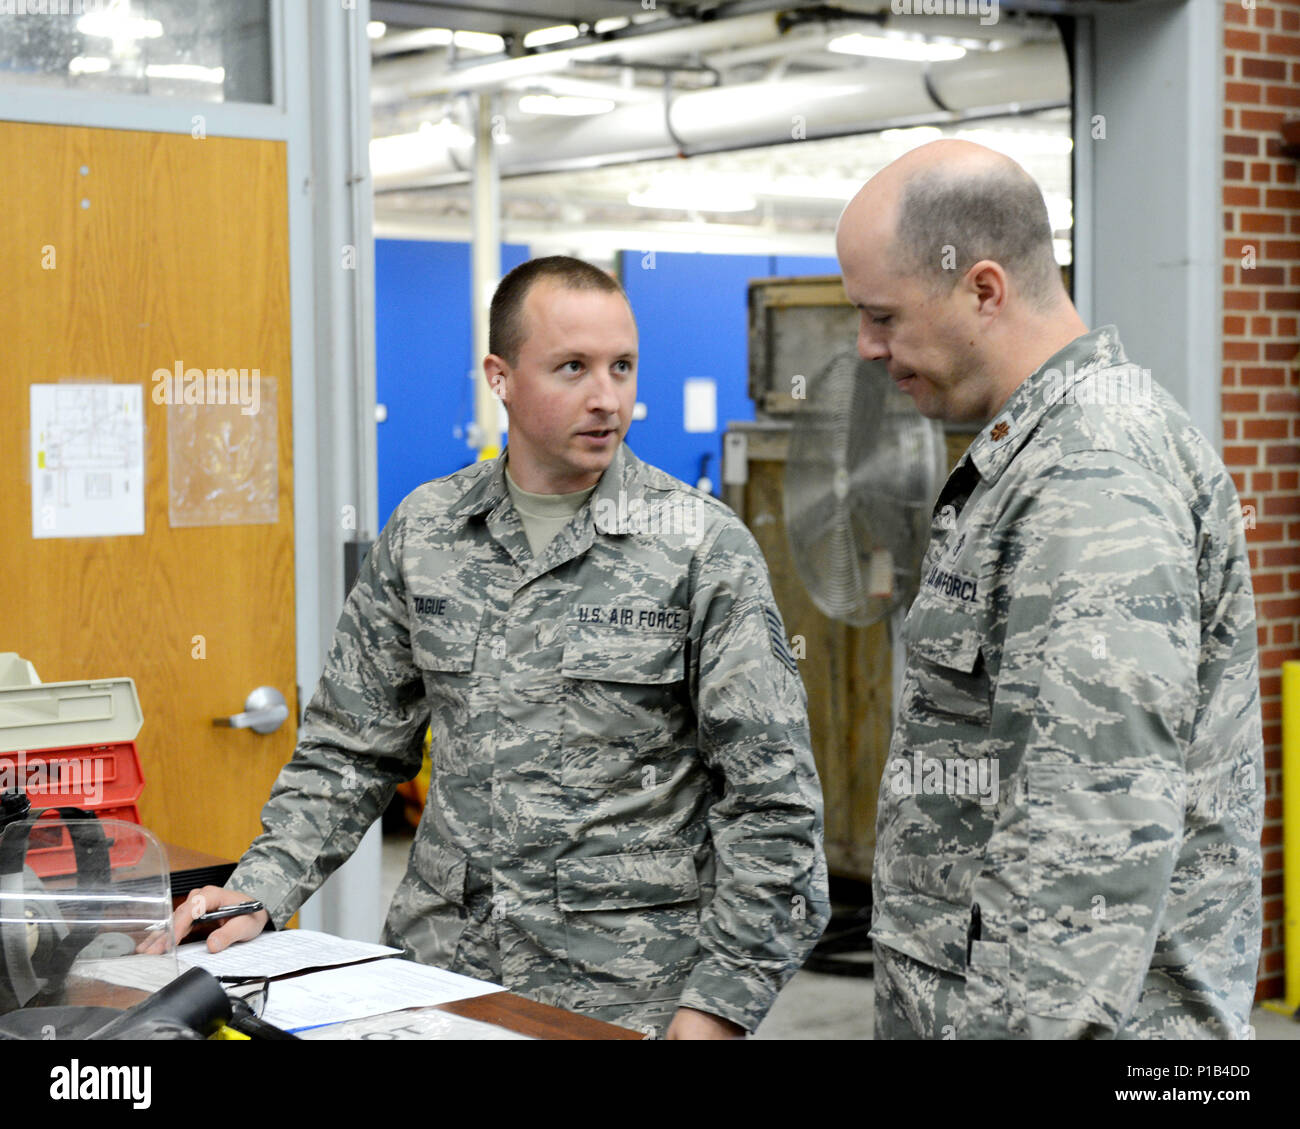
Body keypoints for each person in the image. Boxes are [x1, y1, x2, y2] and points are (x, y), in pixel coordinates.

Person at [169, 256, 829, 1039]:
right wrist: (261, 887)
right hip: (436, 978)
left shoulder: (701, 548)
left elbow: (774, 808)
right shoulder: (428, 530)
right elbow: (350, 751)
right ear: (501, 376)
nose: (606, 397)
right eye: (572, 367)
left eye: (622, 366)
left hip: (620, 994)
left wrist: (719, 1004)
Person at [836, 140, 1263, 1039]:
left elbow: (1089, 840)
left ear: (982, 289)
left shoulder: (1088, 473)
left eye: (882, 316)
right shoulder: (1036, 455)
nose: (867, 349)